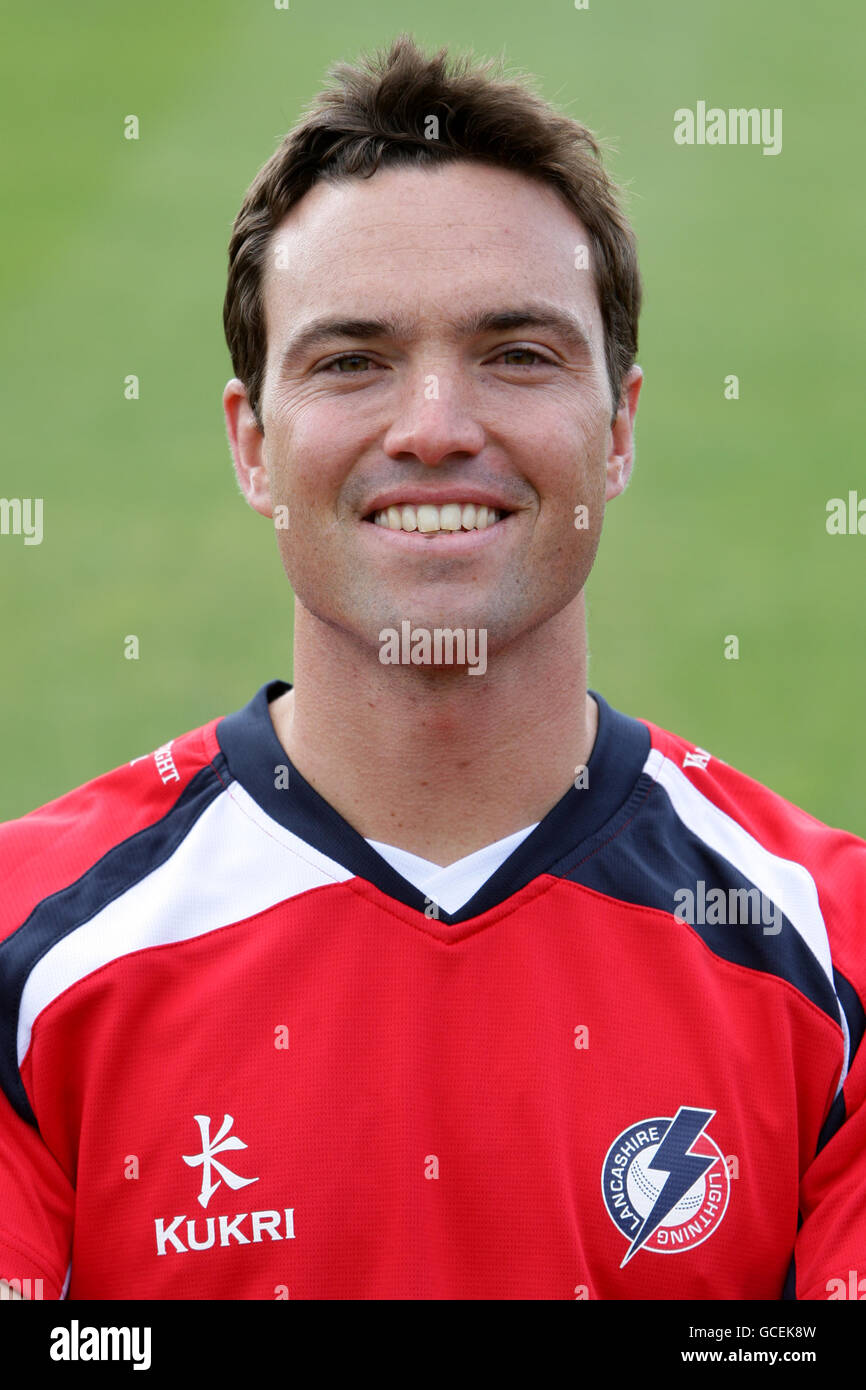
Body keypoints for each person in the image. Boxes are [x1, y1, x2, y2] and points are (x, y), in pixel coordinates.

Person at [0, 33, 863, 1303]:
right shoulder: (30, 949)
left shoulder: (831, 952)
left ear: (618, 426)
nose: (436, 428)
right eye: (350, 360)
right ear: (252, 444)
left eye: (517, 354)